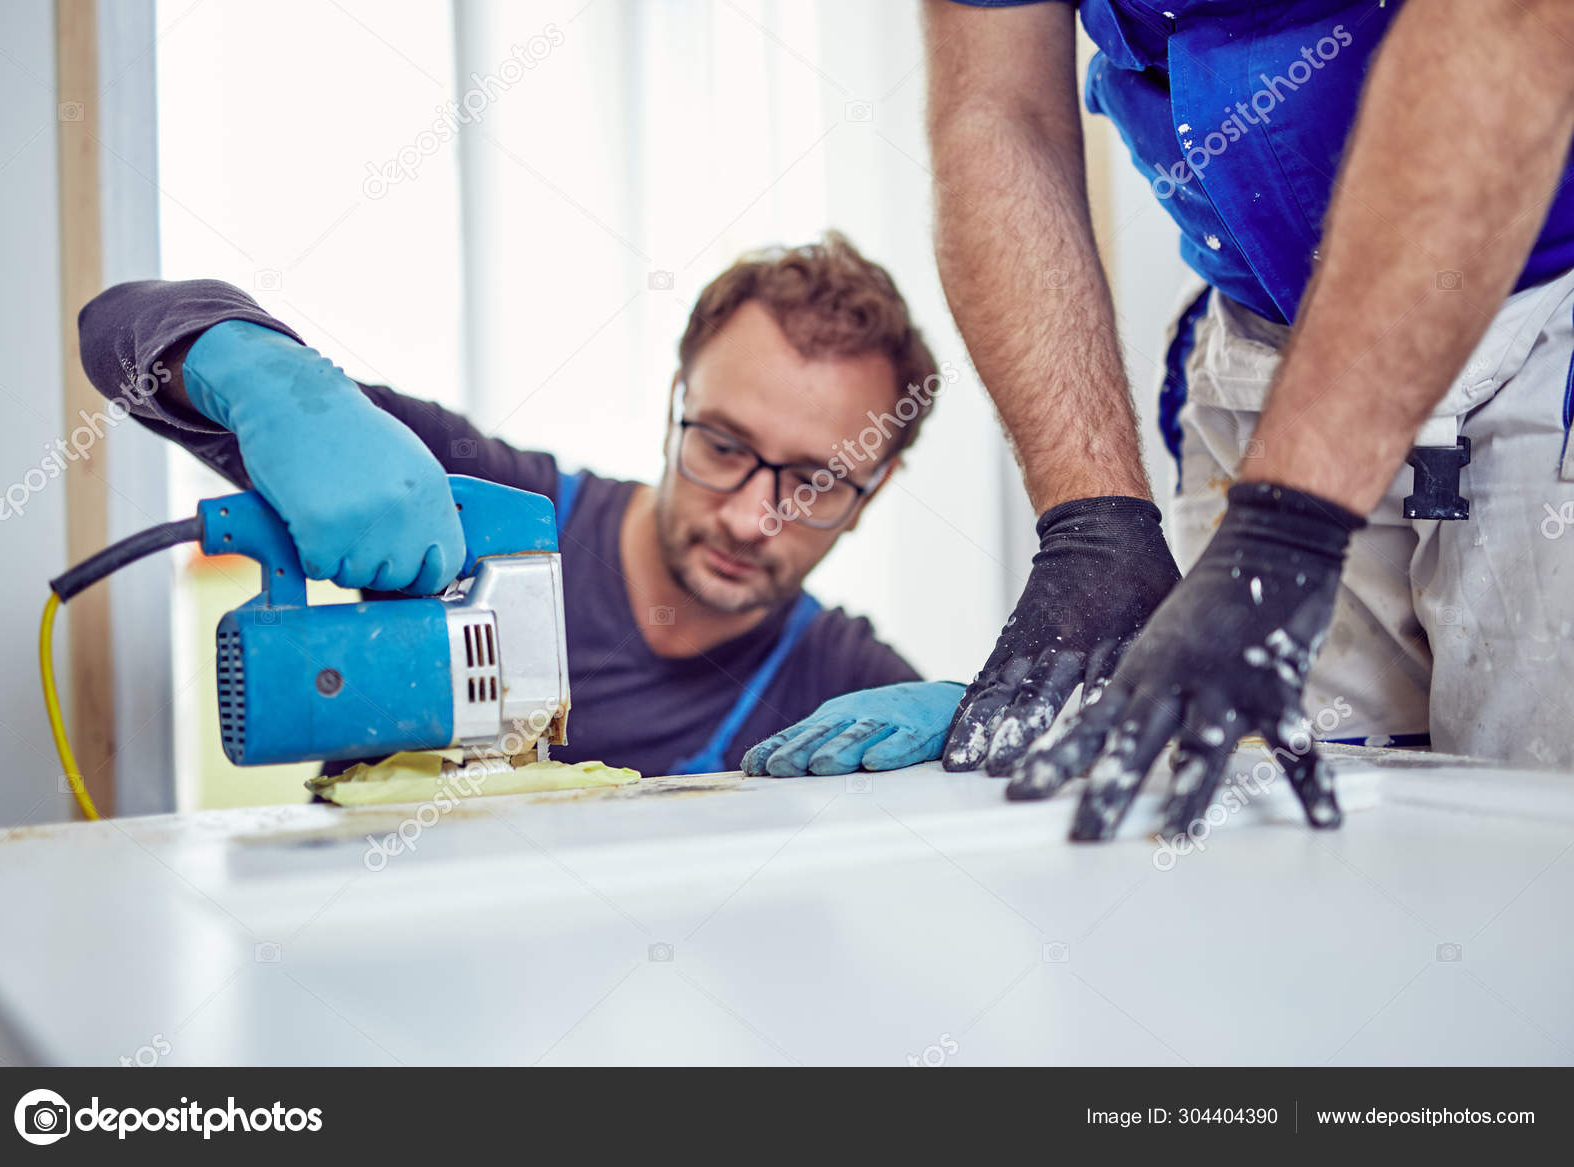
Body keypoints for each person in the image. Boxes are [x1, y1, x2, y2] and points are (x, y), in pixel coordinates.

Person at [921, 0, 1574, 839]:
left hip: (1541, 312)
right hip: (1262, 335)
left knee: (1529, 846)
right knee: (1284, 842)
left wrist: (1285, 523)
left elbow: (1505, 22)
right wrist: (1092, 523)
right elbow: (999, 109)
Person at [78, 232, 964, 777]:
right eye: (723, 446)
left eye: (813, 483)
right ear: (672, 407)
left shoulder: (848, 687)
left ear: (871, 489)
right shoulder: (486, 502)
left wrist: (977, 721)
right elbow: (116, 327)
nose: (746, 517)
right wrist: (258, 378)